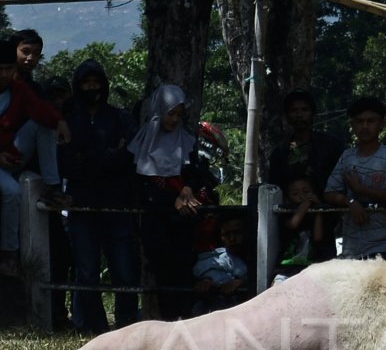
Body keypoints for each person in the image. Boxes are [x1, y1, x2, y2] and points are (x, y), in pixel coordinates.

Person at [0, 39, 72, 276]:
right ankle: (9, 253)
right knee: (12, 193)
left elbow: (40, 109)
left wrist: (60, 120)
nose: (4, 74)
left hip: (12, 153)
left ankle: (52, 186)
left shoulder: (19, 90)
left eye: (8, 69)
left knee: (44, 124)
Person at [60, 59, 140, 334]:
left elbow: (129, 157)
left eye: (96, 83)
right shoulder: (69, 121)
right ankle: (95, 328)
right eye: (86, 83)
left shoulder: (121, 118)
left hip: (117, 206)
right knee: (87, 272)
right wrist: (105, 156)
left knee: (124, 271)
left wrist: (97, 158)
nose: (91, 88)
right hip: (82, 207)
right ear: (77, 86)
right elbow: (68, 162)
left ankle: (127, 326)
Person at [128, 84, 215, 320]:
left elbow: (197, 172)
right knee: (163, 274)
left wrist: (187, 188)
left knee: (185, 272)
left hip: (184, 221)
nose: (175, 120)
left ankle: (186, 320)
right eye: (171, 113)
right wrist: (171, 200)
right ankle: (166, 322)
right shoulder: (143, 141)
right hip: (156, 221)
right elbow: (139, 183)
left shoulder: (187, 141)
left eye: (179, 114)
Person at [323, 96, 386, 260]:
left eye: (371, 121)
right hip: (351, 248)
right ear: (352, 125)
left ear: (382, 124)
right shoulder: (347, 157)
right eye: (359, 121)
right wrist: (350, 202)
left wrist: (360, 190)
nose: (364, 126)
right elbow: (329, 193)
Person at [266, 88, 344, 260]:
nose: (299, 115)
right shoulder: (280, 152)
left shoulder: (330, 146)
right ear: (287, 116)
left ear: (313, 113)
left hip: (323, 218)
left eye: (304, 110)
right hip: (290, 222)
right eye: (294, 111)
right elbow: (274, 187)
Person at [192, 215, 248, 314]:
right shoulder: (215, 257)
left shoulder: (258, 257)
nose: (232, 238)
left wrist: (239, 282)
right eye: (226, 234)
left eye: (237, 233)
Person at [276, 176, 323, 278]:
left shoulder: (314, 216)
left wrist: (318, 209)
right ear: (288, 198)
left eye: (306, 192)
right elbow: (293, 224)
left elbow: (318, 237)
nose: (302, 196)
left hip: (310, 269)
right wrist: (305, 205)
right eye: (295, 194)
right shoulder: (285, 213)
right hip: (287, 268)